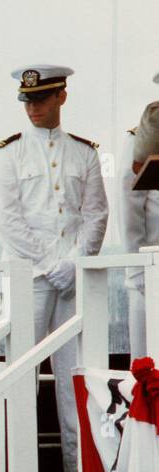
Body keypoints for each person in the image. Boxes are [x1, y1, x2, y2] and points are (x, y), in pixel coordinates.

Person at [0, 64, 109, 472]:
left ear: (61, 96)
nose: (33, 108)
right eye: (27, 100)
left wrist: (75, 263)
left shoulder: (85, 152)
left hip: (73, 280)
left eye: (41, 99)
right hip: (30, 278)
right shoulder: (9, 153)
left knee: (75, 374)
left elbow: (96, 214)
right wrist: (49, 264)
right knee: (21, 370)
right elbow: (8, 221)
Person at [122, 79, 159, 357]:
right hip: (150, 267)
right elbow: (131, 206)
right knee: (146, 364)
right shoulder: (144, 137)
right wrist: (137, 266)